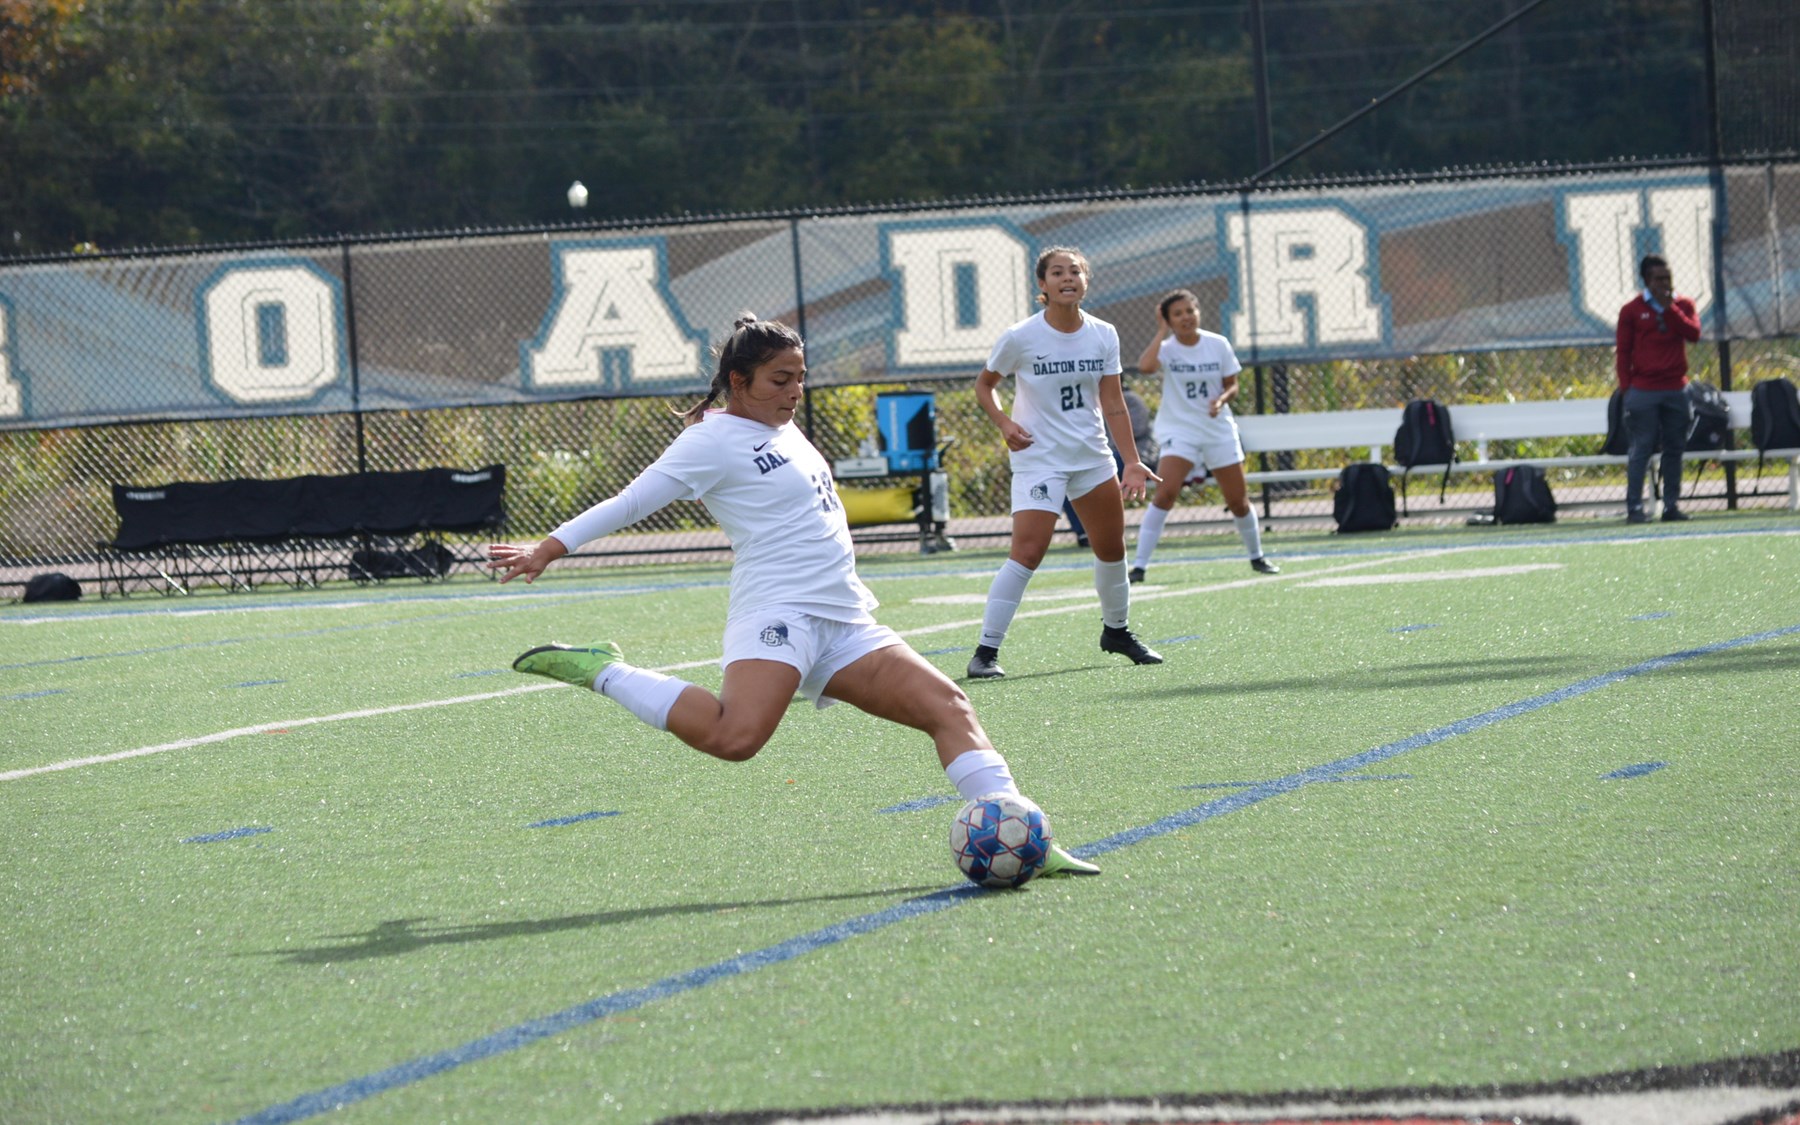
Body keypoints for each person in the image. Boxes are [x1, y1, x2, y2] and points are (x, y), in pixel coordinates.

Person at [487, 313, 1098, 877]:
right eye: (780, 380)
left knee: (950, 707)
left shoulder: (785, 430)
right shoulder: (709, 441)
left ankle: (1025, 841)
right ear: (738, 380)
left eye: (800, 378)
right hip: (778, 611)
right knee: (736, 738)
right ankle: (605, 670)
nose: (794, 392)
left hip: (845, 619)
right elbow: (631, 502)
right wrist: (549, 547)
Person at [965, 246, 1163, 680]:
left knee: (1111, 549)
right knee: (1029, 552)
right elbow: (985, 386)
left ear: (1086, 281)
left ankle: (1117, 632)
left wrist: (1130, 461)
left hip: (1091, 457)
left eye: (1075, 271)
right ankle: (985, 652)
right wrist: (1002, 422)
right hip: (1040, 460)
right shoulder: (1021, 336)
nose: (1067, 278)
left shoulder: (1103, 333)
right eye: (1057, 273)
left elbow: (1113, 403)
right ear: (1043, 284)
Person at [1129, 289, 1278, 582]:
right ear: (1169, 320)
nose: (1186, 317)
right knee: (1166, 492)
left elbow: (1231, 384)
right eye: (1178, 314)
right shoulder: (1168, 347)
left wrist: (1221, 400)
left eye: (1190, 311)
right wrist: (1161, 332)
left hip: (1217, 429)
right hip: (1179, 430)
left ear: (1198, 312)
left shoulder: (1217, 344)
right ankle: (1139, 567)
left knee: (1238, 500)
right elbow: (1145, 367)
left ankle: (1257, 557)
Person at [1616, 253, 1701, 523]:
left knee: (1674, 449)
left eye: (1668, 277)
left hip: (1676, 389)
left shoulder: (1683, 304)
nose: (1665, 283)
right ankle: (1635, 509)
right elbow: (1623, 352)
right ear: (1646, 280)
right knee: (1641, 449)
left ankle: (1671, 506)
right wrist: (1627, 388)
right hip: (1643, 391)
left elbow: (1694, 334)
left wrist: (1669, 309)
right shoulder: (1631, 310)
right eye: (1658, 279)